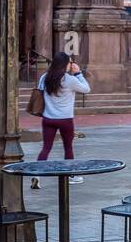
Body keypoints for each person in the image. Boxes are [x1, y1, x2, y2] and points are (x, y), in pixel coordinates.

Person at [31, 51, 91, 189]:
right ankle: (70, 175)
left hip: (48, 118)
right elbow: (86, 89)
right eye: (70, 62)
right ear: (65, 64)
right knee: (68, 147)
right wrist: (78, 73)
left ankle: (37, 173)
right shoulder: (69, 80)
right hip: (65, 119)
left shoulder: (45, 77)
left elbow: (40, 92)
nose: (71, 64)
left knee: (46, 148)